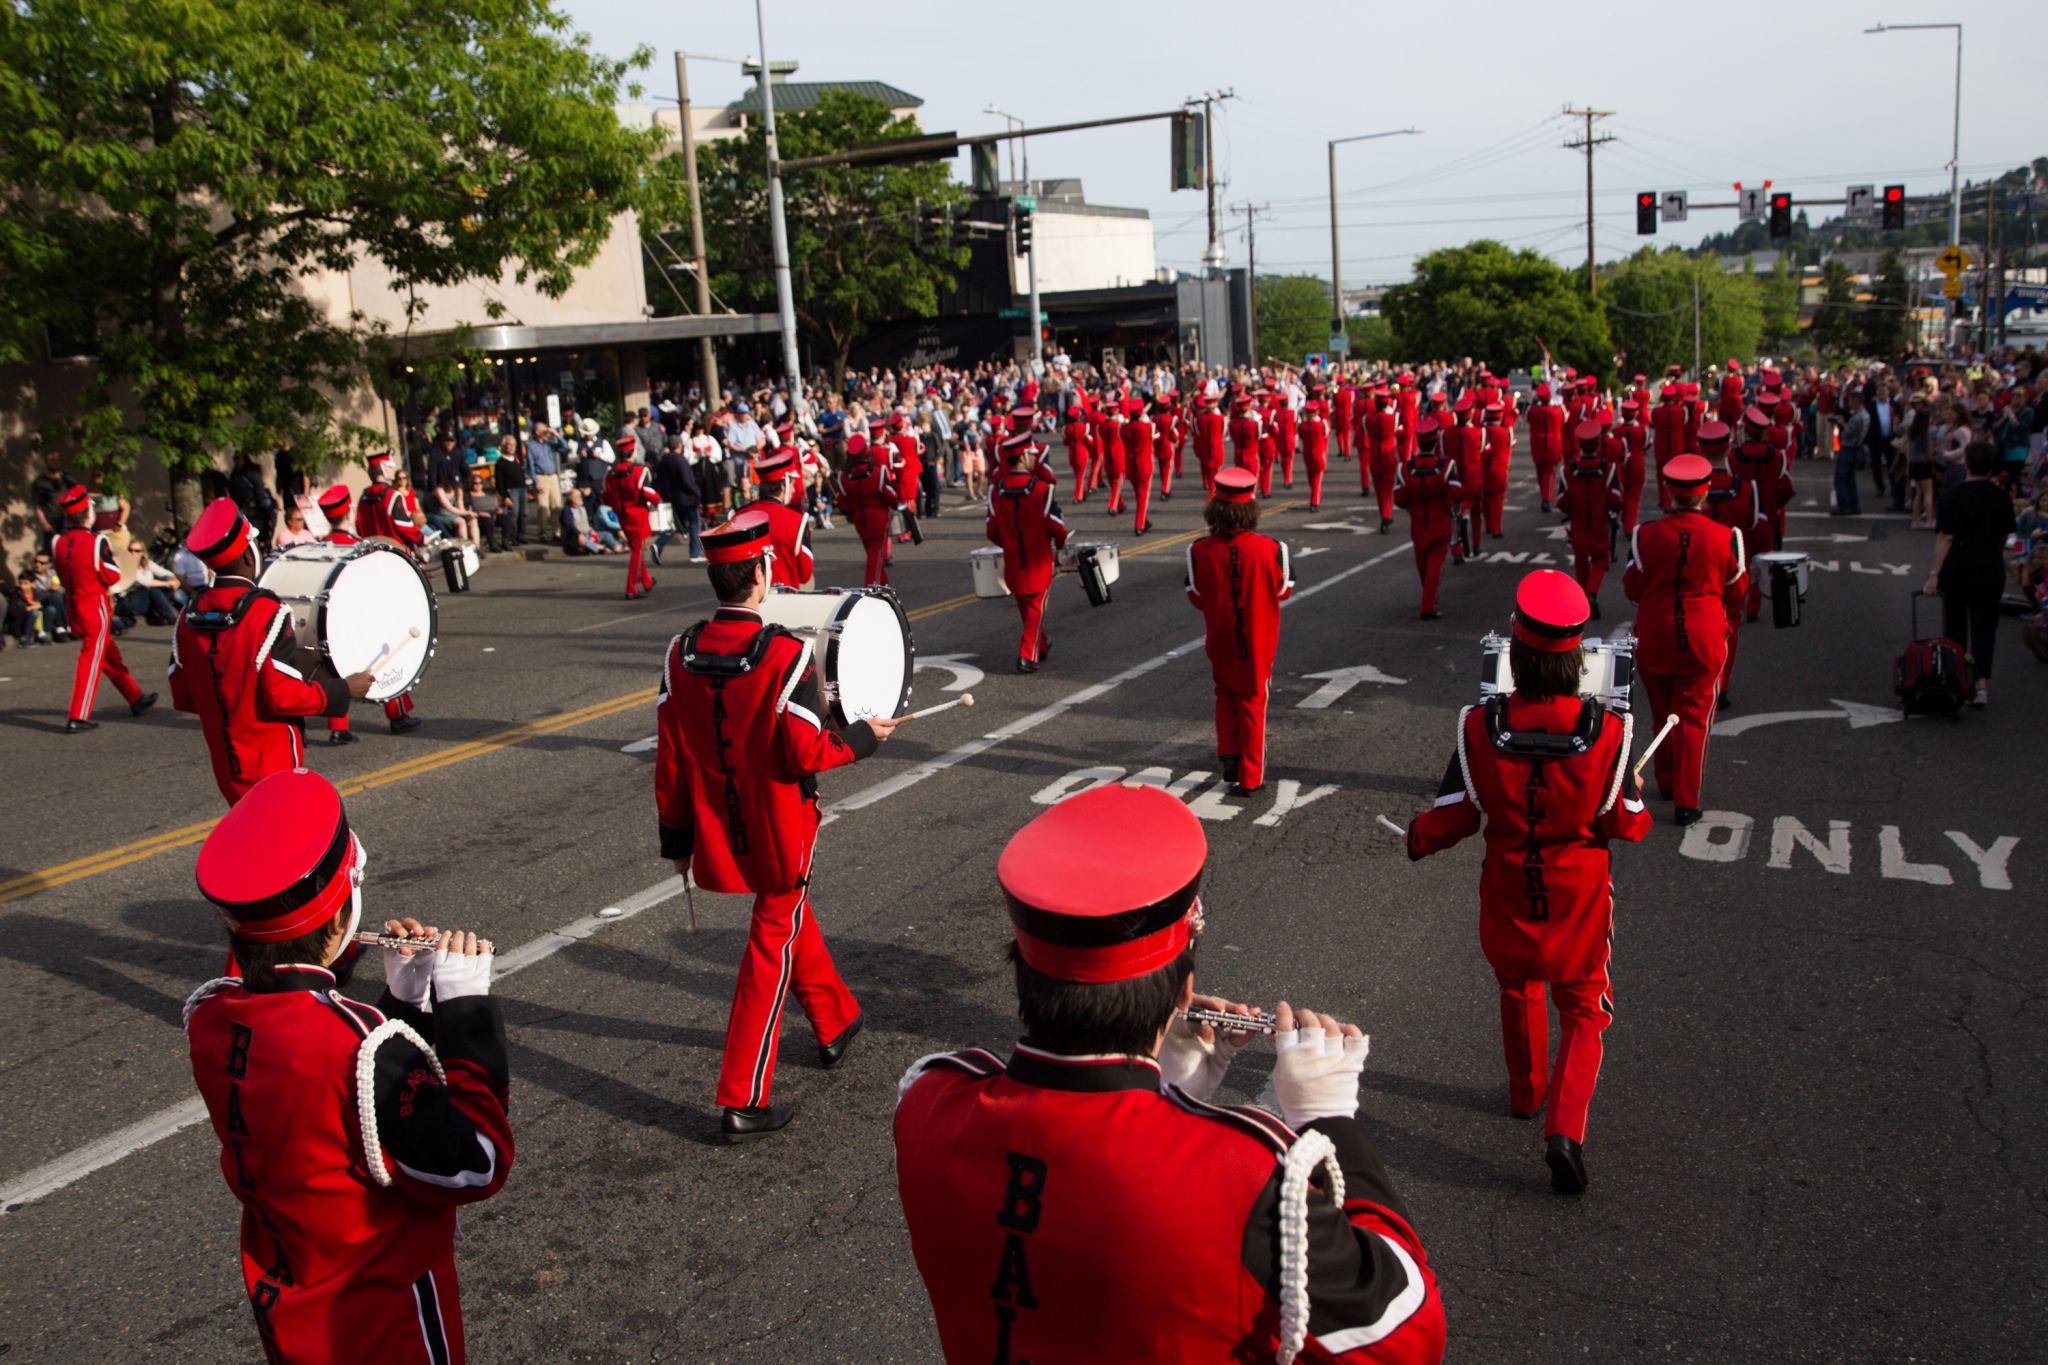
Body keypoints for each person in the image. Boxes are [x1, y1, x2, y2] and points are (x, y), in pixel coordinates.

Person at [895, 783, 1446, 1364]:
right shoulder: (1246, 1179)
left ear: (1020, 977)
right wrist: (1329, 1119)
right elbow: (1411, 1336)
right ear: (1184, 991)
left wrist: (1164, 1090)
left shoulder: (929, 1103)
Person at [184, 767, 512, 1365]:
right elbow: (475, 1164)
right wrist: (466, 1012)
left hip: (287, 1298)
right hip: (381, 1315)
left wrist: (402, 1004)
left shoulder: (211, 1014)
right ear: (343, 914)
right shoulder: (362, 1047)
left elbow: (335, 1121)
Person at [654, 509, 901, 1140]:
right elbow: (804, 752)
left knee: (785, 917)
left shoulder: (678, 653)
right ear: (764, 573)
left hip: (719, 826)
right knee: (772, 937)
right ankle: (743, 1094)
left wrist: (676, 836)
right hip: (781, 825)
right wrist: (862, 739)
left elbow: (672, 755)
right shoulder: (786, 654)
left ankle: (837, 1018)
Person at [1407, 571, 1650, 1193]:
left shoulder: (1477, 726)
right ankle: (1564, 1130)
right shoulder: (1611, 733)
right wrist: (1638, 801)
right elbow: (1626, 824)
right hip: (1578, 894)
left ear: (1513, 654)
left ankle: (1525, 1094)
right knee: (1584, 1008)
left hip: (1509, 886)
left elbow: (1458, 816)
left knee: (1517, 986)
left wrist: (1417, 837)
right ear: (1577, 661)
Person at [169, 499, 372, 801]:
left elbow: (183, 696)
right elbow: (283, 695)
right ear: (248, 555)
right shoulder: (266, 611)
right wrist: (343, 689)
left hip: (226, 765)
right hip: (272, 761)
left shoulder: (188, 616)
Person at [1621, 455, 1747, 826]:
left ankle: (1665, 779)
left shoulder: (1644, 534)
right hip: (1704, 637)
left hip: (1656, 634)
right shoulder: (1727, 536)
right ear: (1705, 492)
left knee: (1662, 710)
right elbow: (1737, 590)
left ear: (1670, 492)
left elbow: (1632, 588)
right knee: (1693, 718)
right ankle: (1686, 801)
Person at [1186, 468, 1293, 796]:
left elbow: (1195, 597)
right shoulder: (1273, 548)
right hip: (1257, 640)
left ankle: (1229, 756)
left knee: (1224, 694)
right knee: (1253, 701)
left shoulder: (1197, 550)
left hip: (1219, 637)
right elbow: (1283, 590)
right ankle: (1251, 776)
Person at [318, 486, 421, 744]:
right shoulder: (359, 547)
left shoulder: (320, 547)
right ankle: (397, 715)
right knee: (385, 652)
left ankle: (338, 727)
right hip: (361, 617)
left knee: (334, 668)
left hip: (330, 620)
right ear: (349, 511)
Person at [50, 484, 156, 731]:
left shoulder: (58, 542)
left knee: (108, 655)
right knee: (91, 658)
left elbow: (63, 577)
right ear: (88, 513)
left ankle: (135, 698)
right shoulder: (97, 542)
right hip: (94, 607)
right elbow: (111, 575)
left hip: (74, 606)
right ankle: (78, 715)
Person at [1924, 442, 2018, 707]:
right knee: (1985, 625)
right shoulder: (2000, 497)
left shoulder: (1952, 495)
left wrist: (1934, 573)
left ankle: (1957, 678)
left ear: (1966, 463)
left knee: (1955, 622)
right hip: (1989, 565)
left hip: (1958, 566)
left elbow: (1945, 537)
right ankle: (1981, 682)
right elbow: (2005, 534)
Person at [986, 430, 1069, 673]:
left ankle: (1041, 645)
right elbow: (1056, 526)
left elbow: (991, 530)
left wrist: (1010, 544)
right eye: (1031, 454)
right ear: (1022, 456)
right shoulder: (1042, 489)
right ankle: (1027, 655)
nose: (1035, 457)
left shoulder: (996, 490)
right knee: (1035, 608)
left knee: (1026, 606)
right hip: (1039, 560)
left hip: (1013, 561)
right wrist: (1061, 544)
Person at [1394, 417, 1463, 620]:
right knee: (1434, 564)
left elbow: (1399, 498)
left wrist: (1413, 505)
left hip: (1418, 522)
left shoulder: (1405, 468)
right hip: (1439, 522)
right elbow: (1458, 492)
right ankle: (1428, 604)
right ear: (1435, 440)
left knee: (1423, 563)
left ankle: (1428, 596)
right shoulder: (1446, 466)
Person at [1559, 421, 1622, 618]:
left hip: (1577, 522)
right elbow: (1616, 498)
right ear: (1598, 444)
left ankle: (1582, 600)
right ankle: (1592, 593)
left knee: (1580, 560)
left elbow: (1562, 501)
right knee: (1601, 559)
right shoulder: (1608, 469)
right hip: (1600, 523)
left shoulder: (1568, 470)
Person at [601, 434, 662, 599]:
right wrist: (657, 501)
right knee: (637, 551)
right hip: (638, 515)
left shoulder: (610, 473)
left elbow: (606, 496)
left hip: (621, 515)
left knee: (637, 548)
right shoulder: (640, 471)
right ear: (633, 452)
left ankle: (647, 581)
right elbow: (648, 493)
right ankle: (631, 588)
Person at [833, 434, 899, 587]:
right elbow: (891, 495)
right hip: (878, 518)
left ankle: (883, 583)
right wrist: (894, 505)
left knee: (872, 554)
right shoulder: (878, 471)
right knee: (875, 555)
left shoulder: (844, 476)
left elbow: (842, 502)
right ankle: (873, 586)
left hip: (859, 519)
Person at [747, 446, 815, 589]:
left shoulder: (738, 515)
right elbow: (805, 573)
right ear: (784, 486)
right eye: (792, 483)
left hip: (747, 601)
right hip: (784, 600)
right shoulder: (796, 520)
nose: (795, 488)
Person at [355, 453, 425, 554]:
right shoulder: (392, 494)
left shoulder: (364, 495)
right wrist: (421, 538)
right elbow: (404, 526)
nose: (393, 469)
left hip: (371, 553)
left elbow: (359, 526)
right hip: (395, 552)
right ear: (383, 468)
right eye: (390, 466)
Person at [653, 433, 705, 565]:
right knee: (695, 523)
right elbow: (687, 480)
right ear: (679, 446)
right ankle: (695, 553)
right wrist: (696, 492)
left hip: (673, 497)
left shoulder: (663, 461)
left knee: (676, 525)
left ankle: (658, 544)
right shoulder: (680, 460)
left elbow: (659, 480)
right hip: (686, 497)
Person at [123, 539, 185, 625]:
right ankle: (170, 615)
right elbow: (146, 582)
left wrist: (173, 580)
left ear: (142, 553)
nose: (133, 553)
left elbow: (166, 572)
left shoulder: (147, 563)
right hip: (133, 600)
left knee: (166, 579)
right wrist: (167, 584)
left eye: (137, 551)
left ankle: (157, 614)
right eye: (130, 550)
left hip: (148, 598)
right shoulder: (127, 566)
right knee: (154, 589)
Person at [1121, 397, 1158, 535]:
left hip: (1130, 465)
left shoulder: (1123, 428)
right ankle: (1139, 525)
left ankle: (1144, 520)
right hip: (1144, 465)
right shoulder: (1148, 427)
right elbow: (1152, 435)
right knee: (1143, 496)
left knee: (1139, 495)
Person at [1832, 388, 1869, 516]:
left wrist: (1842, 423)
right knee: (1850, 478)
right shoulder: (1864, 415)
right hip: (1856, 447)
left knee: (1840, 478)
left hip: (1849, 447)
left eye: (1851, 401)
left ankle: (1844, 505)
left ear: (1857, 401)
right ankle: (1854, 504)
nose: (1849, 404)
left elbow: (1847, 433)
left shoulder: (1857, 417)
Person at [30, 448, 71, 553]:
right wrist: (45, 524)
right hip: (52, 526)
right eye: (51, 459)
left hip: (69, 524)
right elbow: (38, 506)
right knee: (52, 555)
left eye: (57, 459)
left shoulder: (67, 478)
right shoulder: (40, 482)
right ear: (46, 462)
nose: (55, 462)